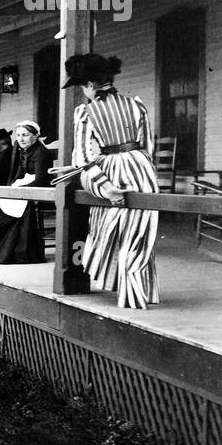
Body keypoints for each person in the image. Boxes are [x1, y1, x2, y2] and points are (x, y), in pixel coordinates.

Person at [63, 53, 160, 309]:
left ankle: (119, 285)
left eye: (83, 87)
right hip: (142, 170)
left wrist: (106, 186)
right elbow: (148, 146)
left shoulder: (86, 111)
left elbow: (82, 157)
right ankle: (138, 293)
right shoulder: (137, 105)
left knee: (109, 225)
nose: (84, 92)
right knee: (139, 231)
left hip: (110, 172)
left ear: (90, 85)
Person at [0, 121, 51, 264]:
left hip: (36, 189)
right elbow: (18, 176)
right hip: (23, 188)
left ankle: (8, 252)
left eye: (25, 135)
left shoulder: (41, 152)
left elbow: (41, 180)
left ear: (35, 136)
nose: (21, 139)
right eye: (19, 135)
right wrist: (11, 189)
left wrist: (19, 190)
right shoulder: (23, 152)